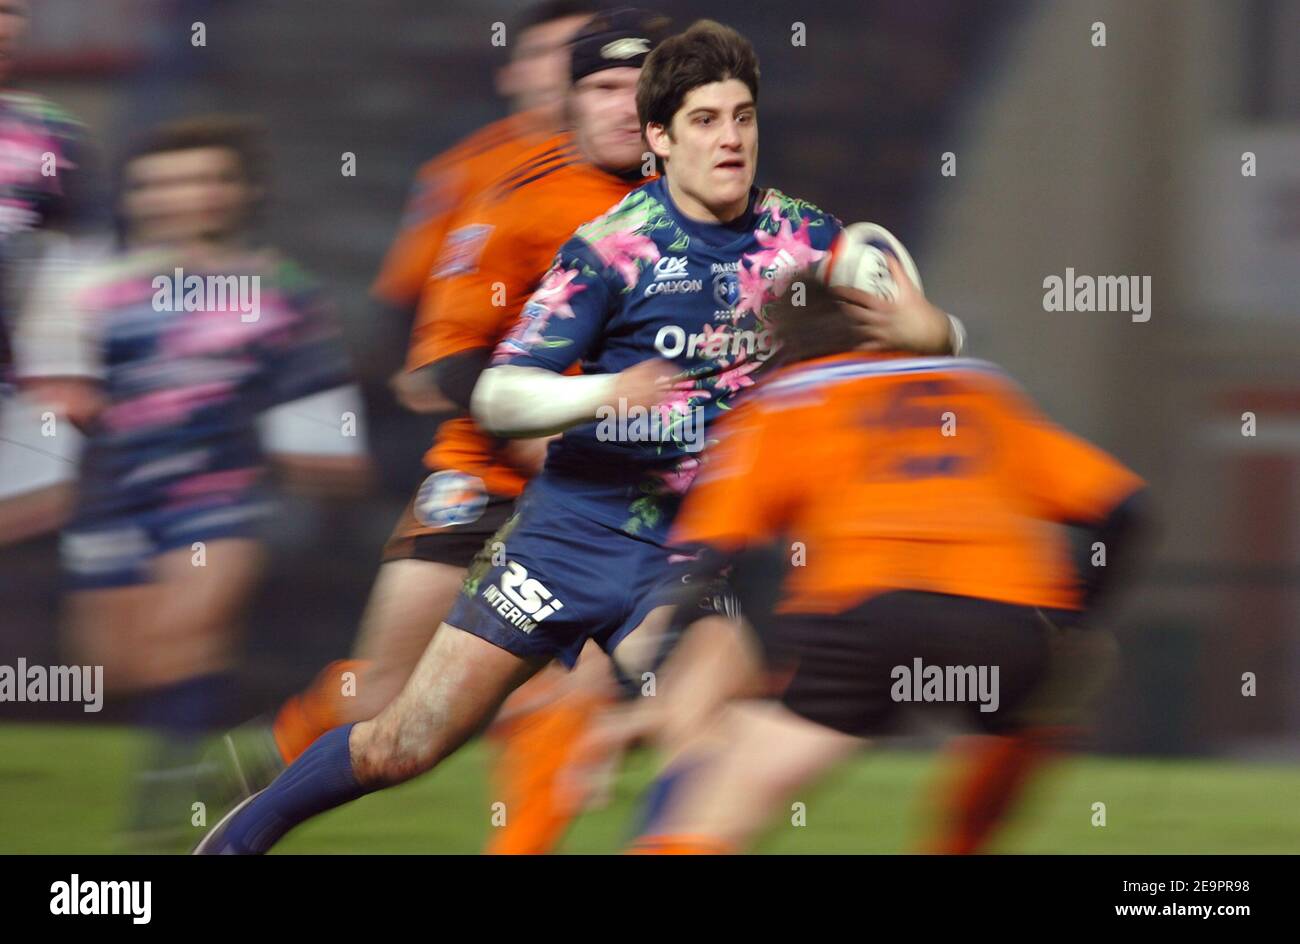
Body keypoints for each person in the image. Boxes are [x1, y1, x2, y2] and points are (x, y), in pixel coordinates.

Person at [195, 18, 960, 855]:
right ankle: (230, 844)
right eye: (706, 120)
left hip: (693, 554)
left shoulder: (806, 240)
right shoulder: (609, 251)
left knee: (708, 743)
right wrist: (607, 393)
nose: (731, 138)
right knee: (400, 743)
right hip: (565, 538)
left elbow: (916, 338)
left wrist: (935, 329)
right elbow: (500, 394)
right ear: (661, 137)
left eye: (743, 116)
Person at [627, 276, 1147, 852]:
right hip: (1006, 620)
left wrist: (664, 665)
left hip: (864, 619)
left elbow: (708, 552)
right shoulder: (977, 387)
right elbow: (1125, 511)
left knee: (717, 809)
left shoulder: (787, 399)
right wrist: (1073, 625)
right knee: (1051, 700)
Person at [46, 116, 354, 848]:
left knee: (190, 639)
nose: (184, 196)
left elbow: (320, 424)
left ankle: (162, 826)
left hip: (220, 498)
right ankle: (251, 756)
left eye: (204, 178)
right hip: (112, 500)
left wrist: (313, 451)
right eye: (164, 182)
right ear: (138, 196)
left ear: (239, 192)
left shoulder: (282, 292)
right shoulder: (93, 289)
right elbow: (56, 394)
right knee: (115, 670)